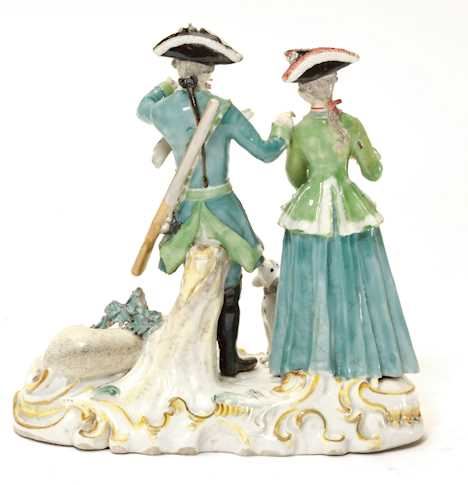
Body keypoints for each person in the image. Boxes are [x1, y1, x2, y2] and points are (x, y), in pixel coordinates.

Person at [137, 25, 291, 376]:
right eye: (210, 68)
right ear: (208, 71)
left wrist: (167, 86)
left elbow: (142, 107)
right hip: (223, 211)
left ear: (176, 66)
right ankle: (227, 360)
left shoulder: (164, 111)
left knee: (195, 284)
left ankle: (197, 355)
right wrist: (282, 127)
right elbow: (267, 152)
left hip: (188, 211)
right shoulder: (224, 110)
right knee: (230, 284)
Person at [270, 47, 419, 379]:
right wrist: (363, 147)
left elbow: (295, 176)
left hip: (310, 209)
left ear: (304, 91)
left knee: (311, 281)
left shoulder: (300, 130)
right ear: (332, 82)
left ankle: (310, 357)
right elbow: (373, 171)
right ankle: (358, 356)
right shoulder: (351, 124)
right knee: (355, 278)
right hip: (347, 206)